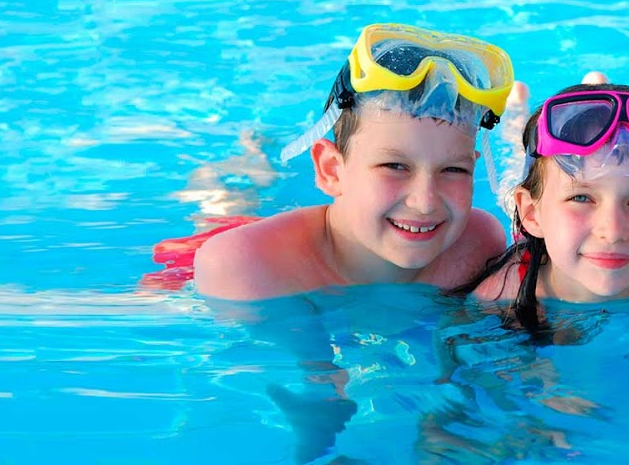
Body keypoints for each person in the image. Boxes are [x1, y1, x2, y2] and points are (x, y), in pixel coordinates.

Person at [193, 23, 511, 300]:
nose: (425, 202)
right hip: (213, 255)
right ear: (331, 169)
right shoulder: (248, 265)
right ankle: (243, 166)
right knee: (224, 211)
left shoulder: (477, 246)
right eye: (395, 166)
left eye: (453, 169)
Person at [448, 82, 629, 336]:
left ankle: (598, 98)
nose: (612, 232)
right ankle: (515, 118)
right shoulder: (506, 291)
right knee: (514, 175)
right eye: (582, 198)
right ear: (533, 214)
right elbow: (454, 354)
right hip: (537, 242)